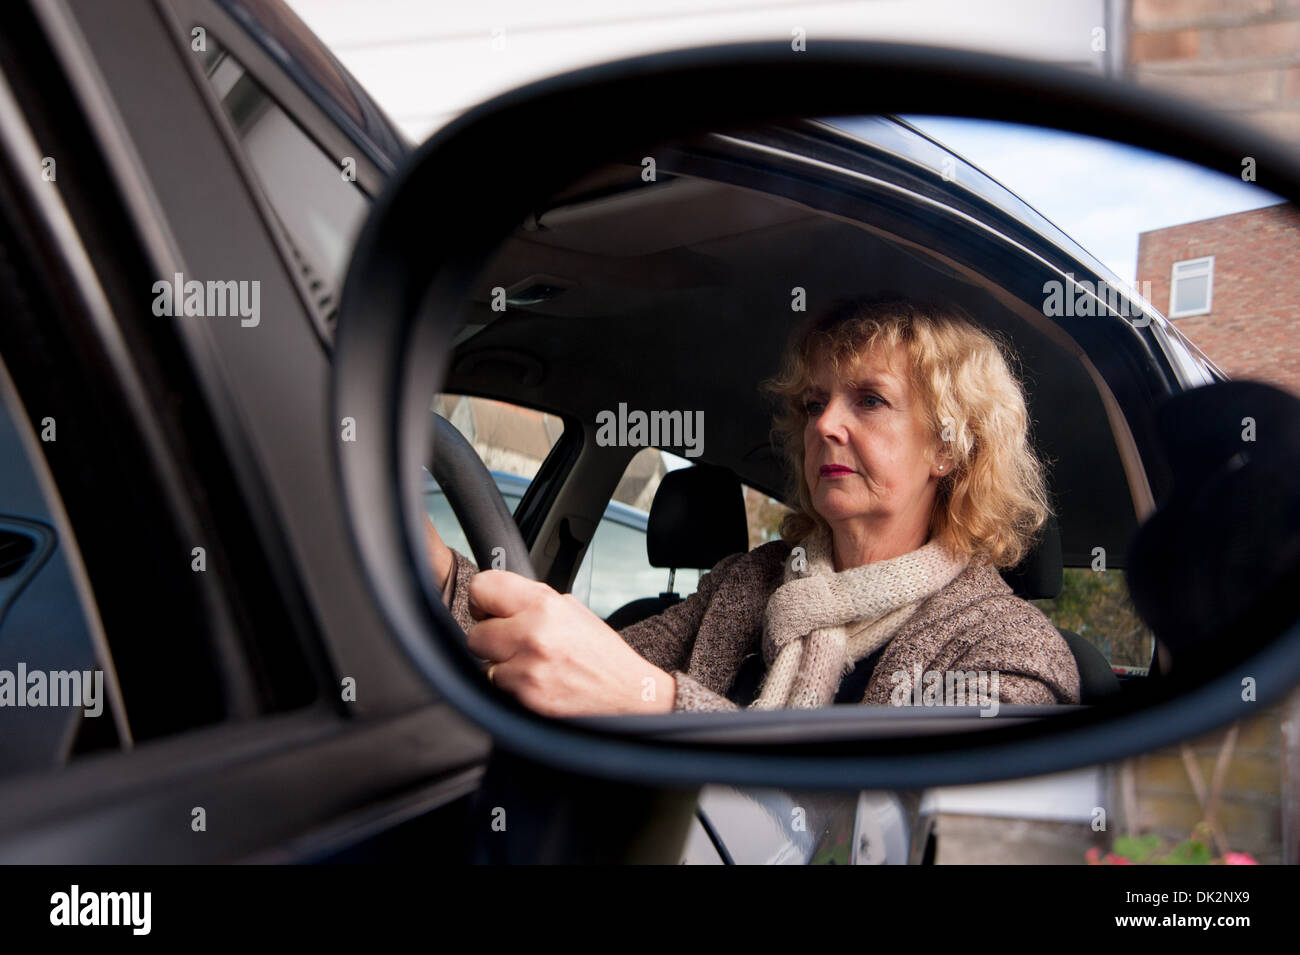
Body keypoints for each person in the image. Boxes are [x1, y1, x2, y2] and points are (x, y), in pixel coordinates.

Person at [425, 297, 1081, 717]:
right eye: (817, 402)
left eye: (870, 400)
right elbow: (585, 664)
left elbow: (887, 824)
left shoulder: (1011, 648)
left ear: (948, 445)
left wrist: (657, 702)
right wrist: (438, 570)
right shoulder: (749, 581)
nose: (826, 424)